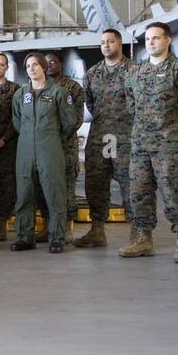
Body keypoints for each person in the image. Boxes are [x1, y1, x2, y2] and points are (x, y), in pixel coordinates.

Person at [118, 21, 178, 263]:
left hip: (171, 146)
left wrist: (176, 126)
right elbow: (131, 104)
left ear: (168, 40)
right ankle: (143, 239)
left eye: (156, 38)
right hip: (140, 145)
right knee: (139, 192)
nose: (151, 42)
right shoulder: (136, 72)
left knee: (173, 192)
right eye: (148, 39)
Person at [9, 52, 79, 254]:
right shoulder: (21, 95)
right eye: (28, 65)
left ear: (43, 68)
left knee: (54, 193)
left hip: (49, 148)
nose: (31, 68)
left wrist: (50, 137)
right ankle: (25, 237)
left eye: (35, 65)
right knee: (24, 194)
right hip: (25, 149)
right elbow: (17, 121)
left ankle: (57, 237)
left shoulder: (58, 92)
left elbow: (70, 122)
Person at [76, 29, 133, 248]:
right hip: (100, 135)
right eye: (102, 42)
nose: (106, 45)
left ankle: (138, 232)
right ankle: (97, 230)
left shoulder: (134, 70)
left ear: (119, 43)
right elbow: (90, 103)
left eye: (110, 41)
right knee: (96, 183)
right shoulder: (92, 73)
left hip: (125, 136)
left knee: (130, 183)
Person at [44, 51, 84, 241]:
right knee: (45, 185)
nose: (49, 65)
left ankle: (66, 227)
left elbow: (76, 119)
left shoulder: (72, 87)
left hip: (65, 145)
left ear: (60, 64)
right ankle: (47, 226)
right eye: (46, 62)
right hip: (45, 147)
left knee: (67, 187)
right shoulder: (39, 87)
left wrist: (55, 134)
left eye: (53, 61)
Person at [0, 52, 18, 241]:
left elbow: (17, 118)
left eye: (1, 65)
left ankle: (2, 222)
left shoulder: (16, 90)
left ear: (7, 67)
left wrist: (3, 140)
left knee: (7, 183)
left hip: (9, 143)